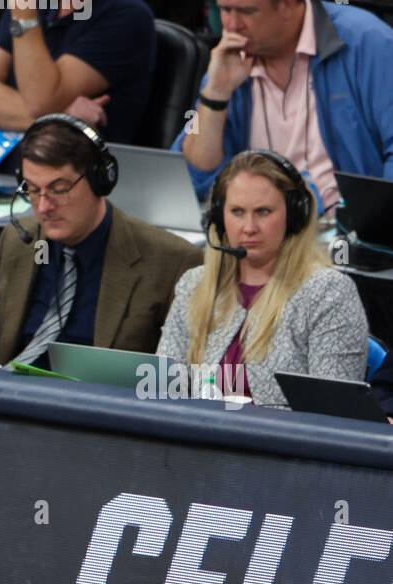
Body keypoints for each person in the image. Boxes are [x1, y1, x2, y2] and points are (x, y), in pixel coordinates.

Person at [0, 115, 202, 368]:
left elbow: (182, 375)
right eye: (32, 189)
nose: (44, 206)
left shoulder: (173, 262)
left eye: (59, 188)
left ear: (99, 179)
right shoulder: (18, 241)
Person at [157, 149, 367, 406]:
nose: (249, 227)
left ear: (294, 216)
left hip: (282, 445)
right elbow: (162, 392)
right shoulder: (194, 285)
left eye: (263, 212)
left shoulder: (328, 292)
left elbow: (334, 414)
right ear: (219, 219)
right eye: (237, 212)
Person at [174, 0, 393, 211]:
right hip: (250, 231)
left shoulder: (368, 43)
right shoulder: (229, 59)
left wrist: (373, 227)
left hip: (338, 233)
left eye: (246, 12)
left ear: (288, 5)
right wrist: (215, 92)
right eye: (224, 9)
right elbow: (192, 176)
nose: (231, 25)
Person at [0, 0, 157, 143]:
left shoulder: (127, 15)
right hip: (8, 170)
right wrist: (62, 118)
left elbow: (41, 102)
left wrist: (24, 18)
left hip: (75, 180)